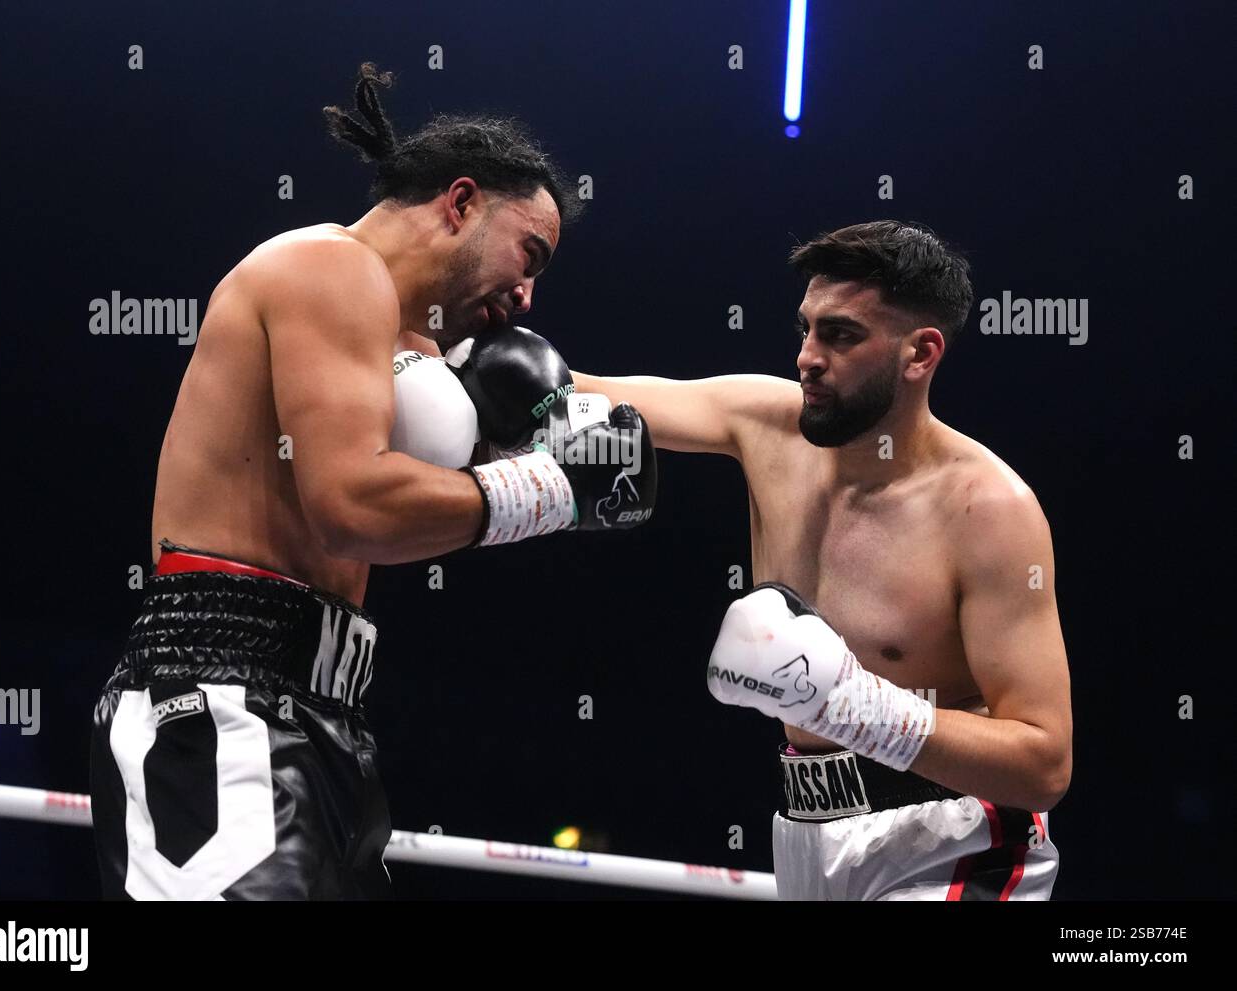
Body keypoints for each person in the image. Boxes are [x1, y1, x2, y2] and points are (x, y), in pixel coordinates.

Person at [89, 63, 656, 900]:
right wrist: (549, 490)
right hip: (217, 697)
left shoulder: (425, 356)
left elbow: (624, 411)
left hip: (325, 719)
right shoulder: (327, 265)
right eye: (528, 254)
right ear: (460, 203)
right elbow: (351, 505)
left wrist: (764, 420)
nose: (528, 295)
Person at [573, 221, 1071, 900]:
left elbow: (1044, 762)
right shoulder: (764, 424)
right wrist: (430, 346)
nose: (806, 356)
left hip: (953, 841)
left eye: (840, 335)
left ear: (920, 353)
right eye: (805, 328)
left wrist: (856, 707)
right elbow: (571, 395)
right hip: (806, 829)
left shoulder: (988, 510)